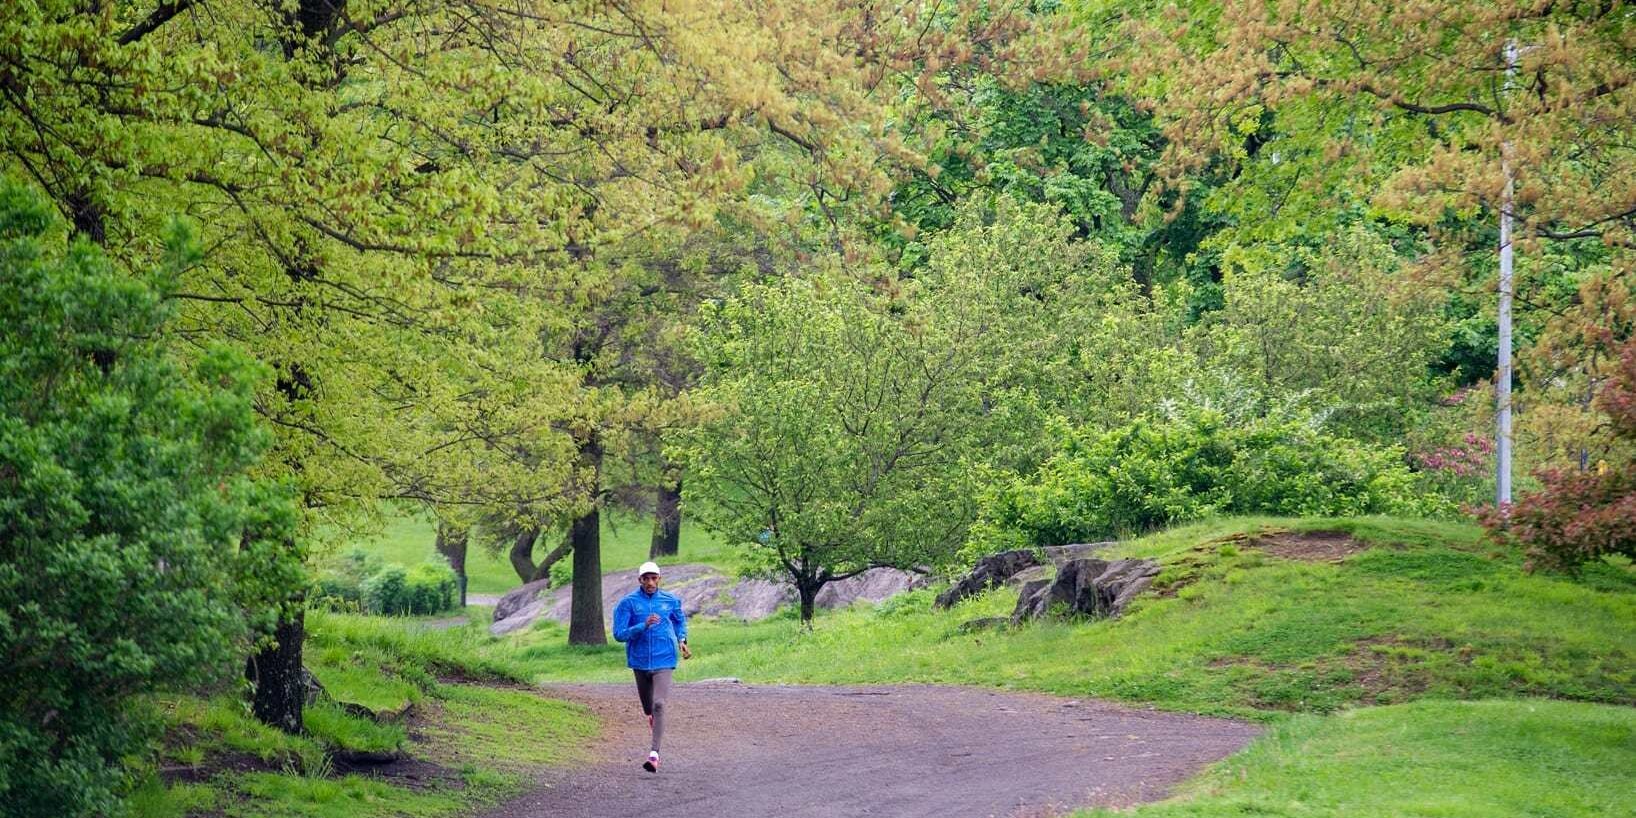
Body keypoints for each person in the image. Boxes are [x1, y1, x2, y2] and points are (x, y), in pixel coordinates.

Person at [611, 561, 691, 772]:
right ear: (640, 580)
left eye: (653, 578)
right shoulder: (628, 603)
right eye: (646, 578)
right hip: (639, 661)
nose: (650, 582)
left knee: (659, 705)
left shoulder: (670, 600)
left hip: (664, 658)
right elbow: (619, 634)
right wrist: (643, 625)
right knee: (649, 708)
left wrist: (682, 639)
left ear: (659, 579)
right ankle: (652, 719)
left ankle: (654, 755)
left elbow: (679, 621)